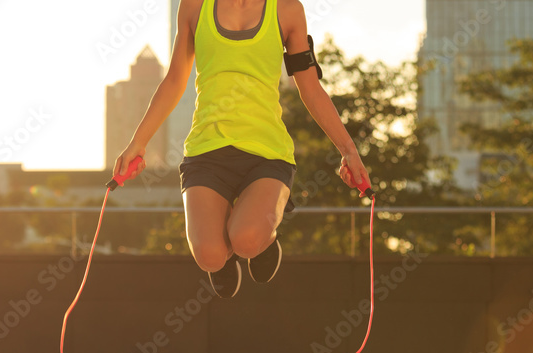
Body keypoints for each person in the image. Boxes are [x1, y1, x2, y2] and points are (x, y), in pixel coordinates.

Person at [113, 0, 370, 298]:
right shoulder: (194, 7)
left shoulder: (287, 11)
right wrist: (138, 143)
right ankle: (227, 248)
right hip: (206, 152)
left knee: (246, 239)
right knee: (209, 256)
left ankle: (264, 240)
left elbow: (310, 88)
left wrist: (348, 151)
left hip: (267, 154)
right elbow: (174, 80)